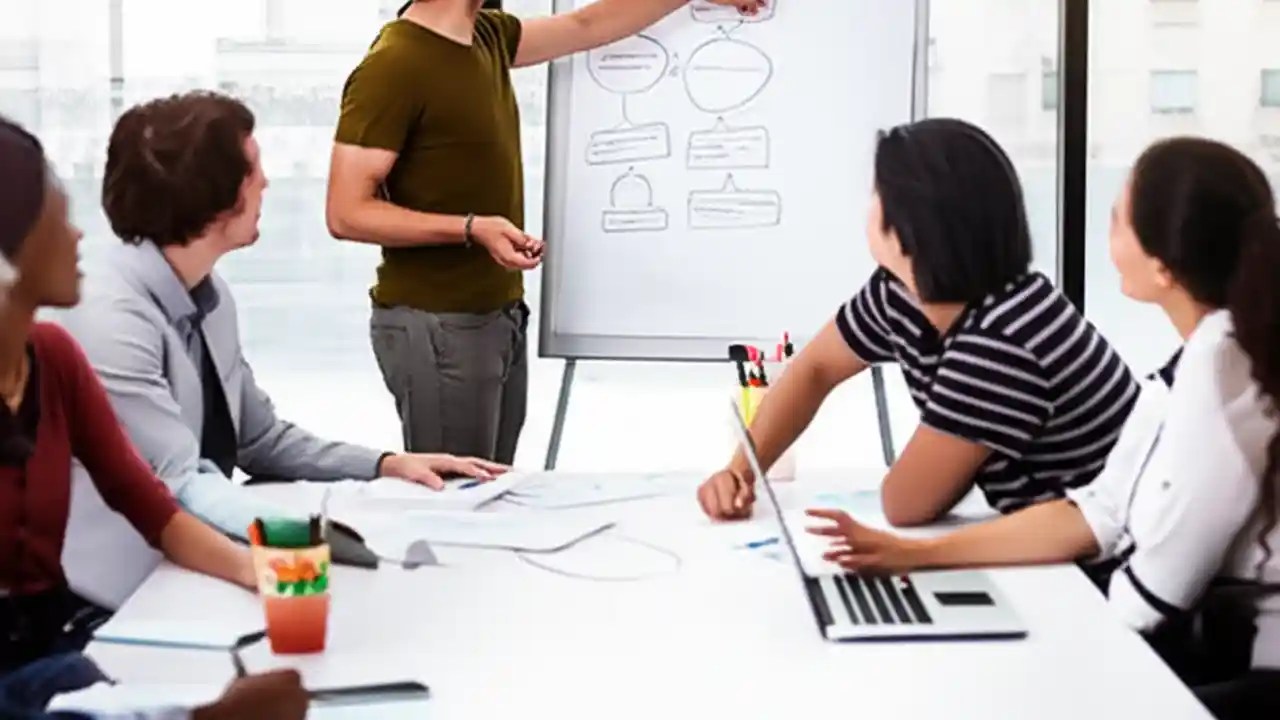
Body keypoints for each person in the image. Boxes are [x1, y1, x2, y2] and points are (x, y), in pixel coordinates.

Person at [804, 138, 1280, 719]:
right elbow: (1096, 513)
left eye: (1117, 219)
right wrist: (914, 555)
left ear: (1162, 267)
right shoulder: (1203, 360)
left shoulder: (1220, 375)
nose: (1107, 233)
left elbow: (1155, 596)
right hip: (1183, 632)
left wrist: (1062, 648)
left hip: (1239, 663)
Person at [57, 91, 508, 561]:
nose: (266, 183)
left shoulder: (208, 296)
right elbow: (180, 482)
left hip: (189, 559)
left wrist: (387, 465)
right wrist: (317, 540)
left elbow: (259, 440)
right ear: (215, 195)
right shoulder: (111, 319)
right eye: (253, 170)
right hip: (117, 579)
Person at [326, 0, 767, 463]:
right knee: (457, 497)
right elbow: (346, 211)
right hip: (439, 324)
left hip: (495, 318)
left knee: (488, 488)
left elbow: (586, 24)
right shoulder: (395, 65)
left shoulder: (486, 37)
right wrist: (472, 228)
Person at [697, 118, 1139, 526]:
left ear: (909, 225)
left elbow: (905, 504)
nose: (868, 208)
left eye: (877, 195)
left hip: (1104, 565)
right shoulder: (902, 294)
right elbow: (816, 368)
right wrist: (740, 472)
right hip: (1051, 540)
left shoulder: (1005, 337)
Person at [0, 116, 259, 686]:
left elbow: (153, 507)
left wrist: (261, 571)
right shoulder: (114, 315)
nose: (78, 236)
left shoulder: (54, 357)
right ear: (10, 253)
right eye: (57, 221)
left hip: (50, 642)